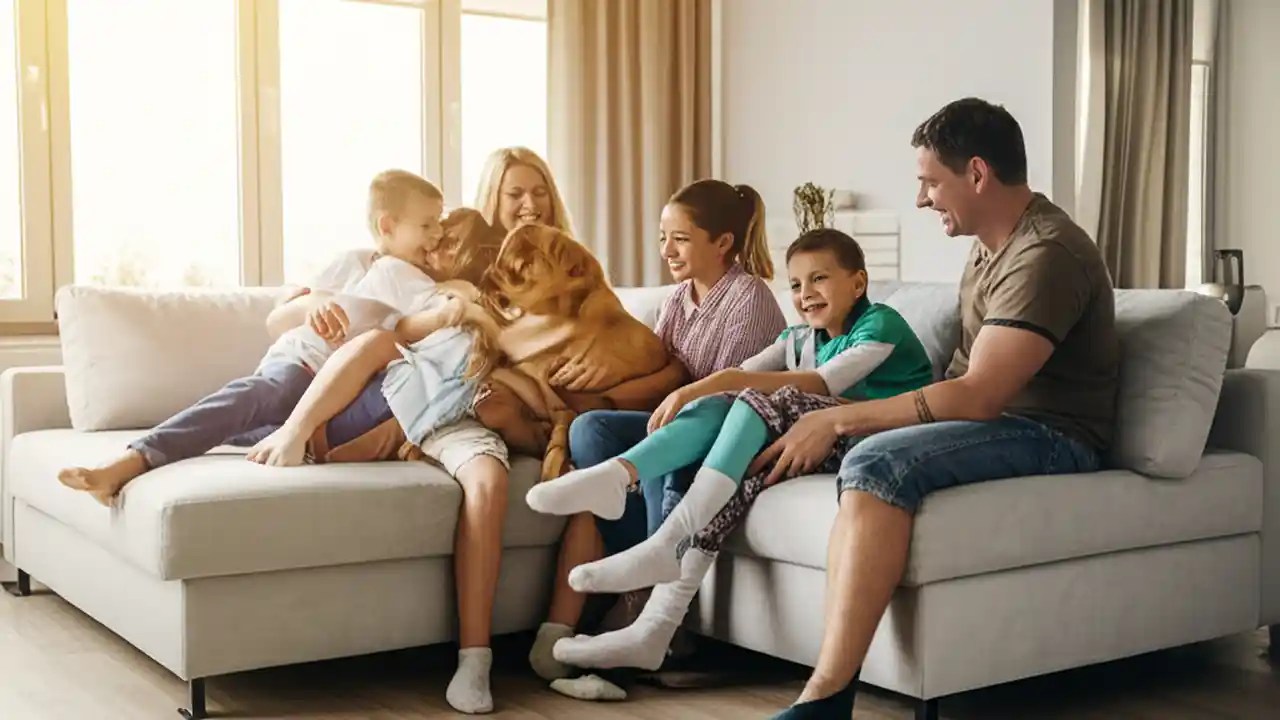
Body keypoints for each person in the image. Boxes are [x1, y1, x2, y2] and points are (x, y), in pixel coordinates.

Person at [762, 98, 1119, 718]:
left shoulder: (1046, 253)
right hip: (992, 421)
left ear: (976, 173)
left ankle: (826, 699)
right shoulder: (989, 246)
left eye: (930, 182)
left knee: (876, 461)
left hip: (1050, 433)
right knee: (799, 427)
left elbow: (980, 394)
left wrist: (841, 417)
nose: (922, 199)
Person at [527, 228, 933, 673]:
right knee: (730, 437)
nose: (805, 294)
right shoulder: (799, 338)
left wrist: (710, 384)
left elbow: (820, 383)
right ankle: (655, 623)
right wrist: (702, 393)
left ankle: (663, 538)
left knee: (749, 400)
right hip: (807, 436)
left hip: (873, 436)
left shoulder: (880, 324)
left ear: (858, 283)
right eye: (796, 284)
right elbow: (741, 376)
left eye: (819, 279)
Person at [55, 169, 452, 505]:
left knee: (245, 420)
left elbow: (423, 323)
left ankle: (196, 426)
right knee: (264, 395)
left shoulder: (416, 283)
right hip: (299, 361)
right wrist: (315, 305)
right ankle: (128, 463)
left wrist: (457, 296)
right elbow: (282, 319)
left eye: (440, 222)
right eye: (427, 224)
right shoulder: (352, 262)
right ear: (387, 226)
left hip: (326, 393)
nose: (437, 234)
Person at [528, 178, 787, 681]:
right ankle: (635, 571)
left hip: (725, 435)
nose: (667, 250)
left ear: (723, 242)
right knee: (591, 430)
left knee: (658, 453)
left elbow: (729, 399)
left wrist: (669, 392)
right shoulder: (676, 300)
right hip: (676, 424)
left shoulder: (749, 298)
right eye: (663, 237)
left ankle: (647, 605)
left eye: (681, 239)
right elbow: (658, 374)